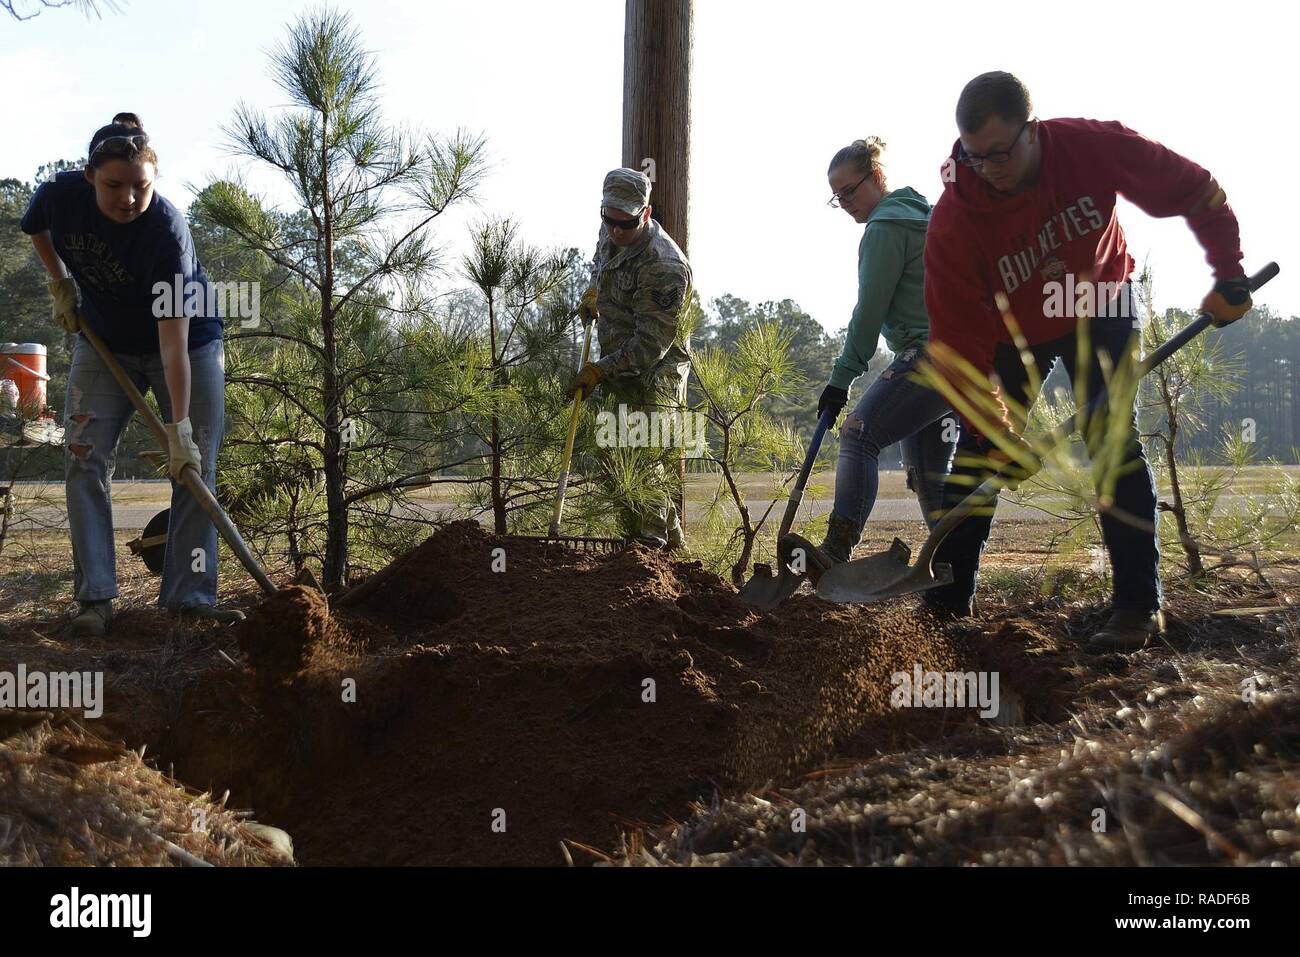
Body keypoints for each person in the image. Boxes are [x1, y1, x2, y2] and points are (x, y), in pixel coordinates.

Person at [921, 72, 1252, 650]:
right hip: (1011, 329)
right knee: (976, 458)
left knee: (1112, 443)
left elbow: (1197, 189)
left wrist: (1228, 273)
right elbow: (956, 345)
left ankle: (1135, 608)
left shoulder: (1092, 146)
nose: (988, 169)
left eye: (1000, 153)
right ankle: (944, 610)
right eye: (975, 158)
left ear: (1033, 131)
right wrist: (995, 431)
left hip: (1099, 301)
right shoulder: (955, 219)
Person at [22, 113, 244, 636]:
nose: (127, 198)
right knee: (84, 457)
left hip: (188, 347)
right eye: (113, 185)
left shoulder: (167, 233)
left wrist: (179, 431)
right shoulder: (60, 196)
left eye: (140, 187)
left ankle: (189, 599)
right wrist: (61, 285)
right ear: (88, 178)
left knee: (193, 469)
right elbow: (36, 228)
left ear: (155, 180)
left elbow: (172, 344)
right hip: (104, 345)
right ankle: (95, 600)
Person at [791, 136, 955, 577]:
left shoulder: (884, 228)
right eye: (837, 197)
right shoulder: (926, 215)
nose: (845, 203)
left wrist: (840, 379)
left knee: (859, 435)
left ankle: (835, 551)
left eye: (851, 190)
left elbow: (869, 312)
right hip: (966, 359)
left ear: (878, 178)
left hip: (933, 356)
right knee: (929, 476)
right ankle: (954, 590)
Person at [569, 168, 692, 548]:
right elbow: (599, 263)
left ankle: (652, 549)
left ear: (647, 214)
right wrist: (593, 292)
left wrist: (599, 371)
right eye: (610, 220)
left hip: (657, 371)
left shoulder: (664, 265)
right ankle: (670, 552)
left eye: (627, 223)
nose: (616, 231)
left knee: (641, 456)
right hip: (615, 365)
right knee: (613, 460)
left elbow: (648, 346)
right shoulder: (609, 230)